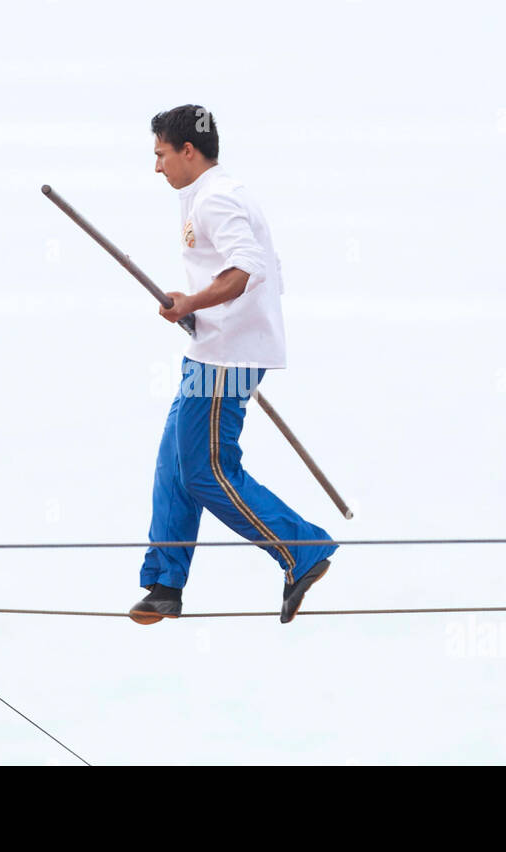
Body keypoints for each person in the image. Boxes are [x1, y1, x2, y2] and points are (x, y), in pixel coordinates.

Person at [130, 104, 338, 626]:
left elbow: (246, 269)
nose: (157, 167)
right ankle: (165, 584)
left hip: (228, 358)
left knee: (207, 471)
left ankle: (302, 549)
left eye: (160, 155)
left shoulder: (217, 199)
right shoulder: (209, 194)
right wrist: (197, 315)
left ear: (187, 150)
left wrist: (190, 304)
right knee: (175, 465)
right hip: (210, 350)